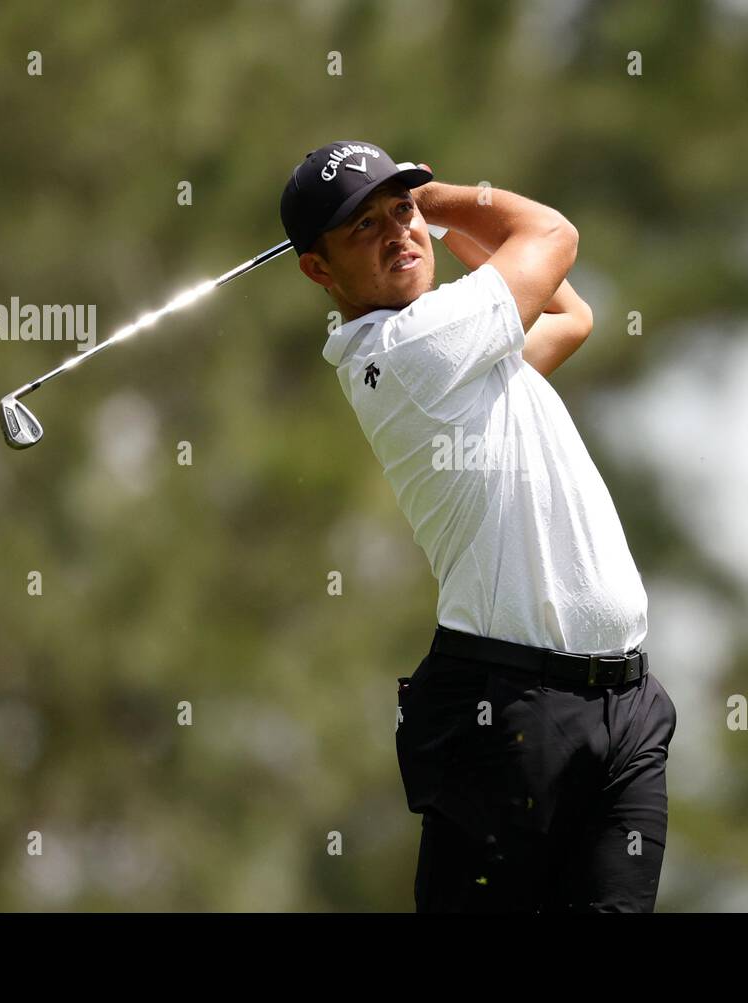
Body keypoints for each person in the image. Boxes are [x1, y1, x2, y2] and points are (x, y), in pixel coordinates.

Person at [280, 140, 677, 912]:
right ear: (319, 270)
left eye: (399, 211)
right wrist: (442, 198)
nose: (397, 232)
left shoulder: (459, 350)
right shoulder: (412, 349)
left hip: (623, 709)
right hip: (510, 710)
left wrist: (427, 221)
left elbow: (570, 312)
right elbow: (553, 237)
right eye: (364, 226)